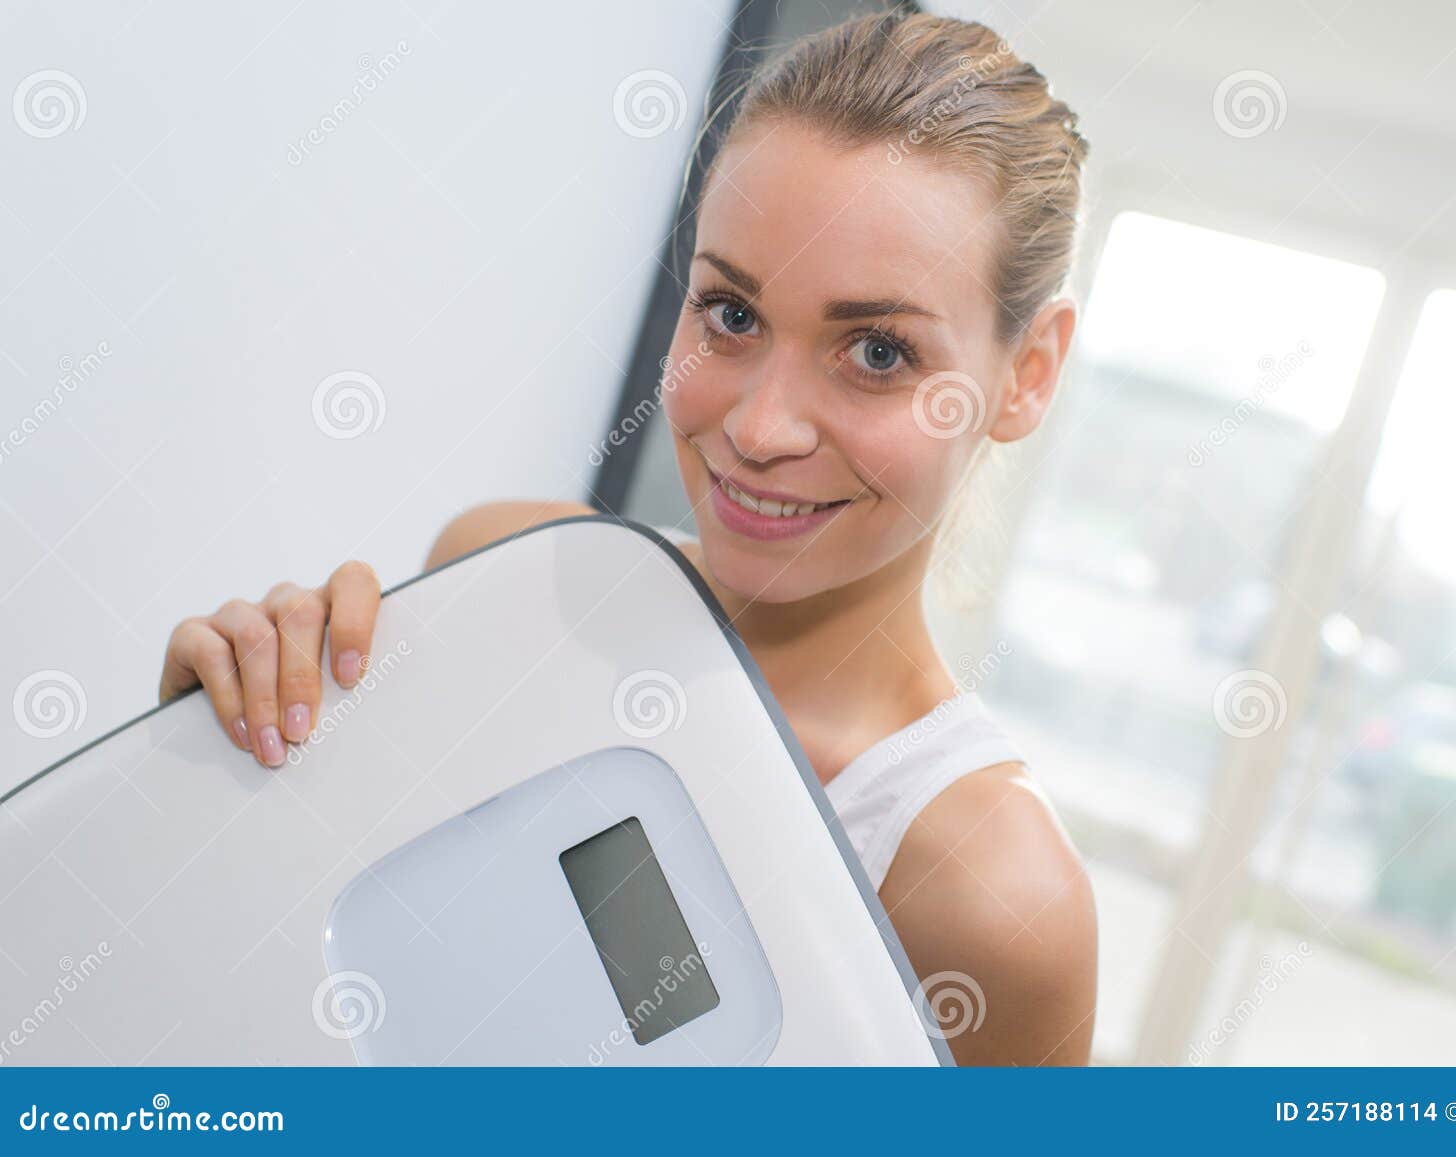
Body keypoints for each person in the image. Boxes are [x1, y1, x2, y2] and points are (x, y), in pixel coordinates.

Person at [159, 10, 1096, 1065]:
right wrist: (208, 762)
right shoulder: (508, 573)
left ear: (1028, 372)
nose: (756, 426)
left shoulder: (987, 892)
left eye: (877, 350)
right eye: (731, 315)